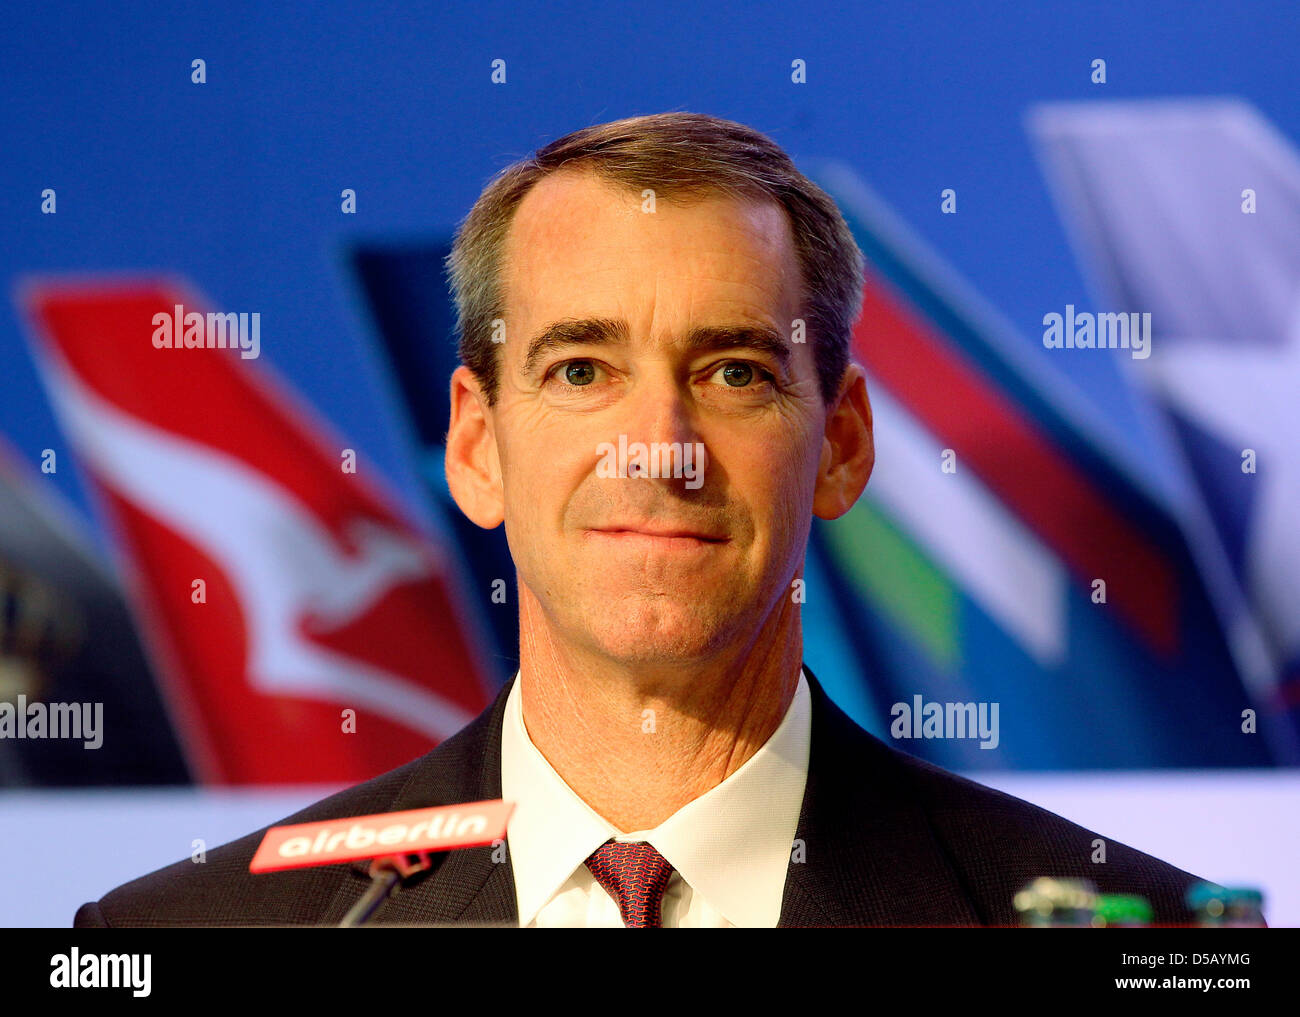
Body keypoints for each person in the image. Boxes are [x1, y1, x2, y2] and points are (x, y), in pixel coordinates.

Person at [75, 112, 1203, 928]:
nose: (657, 447)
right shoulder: (190, 933)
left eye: (733, 373)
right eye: (578, 370)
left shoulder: (1139, 936)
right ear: (476, 446)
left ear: (843, 444)